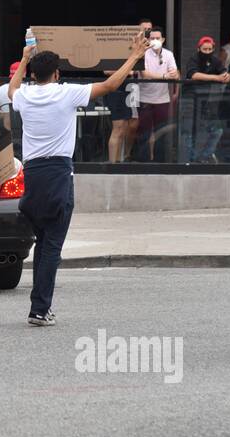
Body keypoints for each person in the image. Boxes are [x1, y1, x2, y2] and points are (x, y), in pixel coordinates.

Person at [10, 28, 148, 326]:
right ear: (57, 74)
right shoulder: (66, 92)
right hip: (58, 173)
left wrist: (23, 59)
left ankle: (39, 306)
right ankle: (39, 309)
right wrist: (135, 56)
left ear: (33, 75)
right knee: (51, 247)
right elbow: (110, 85)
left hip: (32, 175)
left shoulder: (25, 95)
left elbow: (11, 91)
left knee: (43, 243)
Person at [105, 18, 151, 162]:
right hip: (116, 89)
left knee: (127, 126)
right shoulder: (111, 49)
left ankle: (122, 159)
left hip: (131, 88)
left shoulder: (134, 49)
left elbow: (141, 69)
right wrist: (126, 72)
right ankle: (113, 164)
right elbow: (106, 70)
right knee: (118, 127)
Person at [137, 26, 180, 161]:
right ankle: (143, 161)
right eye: (152, 38)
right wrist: (165, 76)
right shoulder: (143, 54)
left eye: (157, 38)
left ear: (163, 39)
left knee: (161, 133)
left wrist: (171, 74)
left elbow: (175, 73)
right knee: (144, 133)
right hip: (145, 99)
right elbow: (145, 74)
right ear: (148, 40)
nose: (155, 40)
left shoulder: (168, 54)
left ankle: (159, 161)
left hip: (163, 100)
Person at [186, 35, 230, 162]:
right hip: (190, 100)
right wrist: (215, 78)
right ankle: (191, 159)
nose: (207, 52)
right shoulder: (193, 58)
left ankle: (205, 155)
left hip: (207, 102)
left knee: (217, 130)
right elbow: (193, 75)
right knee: (191, 132)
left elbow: (223, 71)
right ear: (199, 48)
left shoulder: (215, 60)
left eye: (209, 49)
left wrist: (225, 76)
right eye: (204, 49)